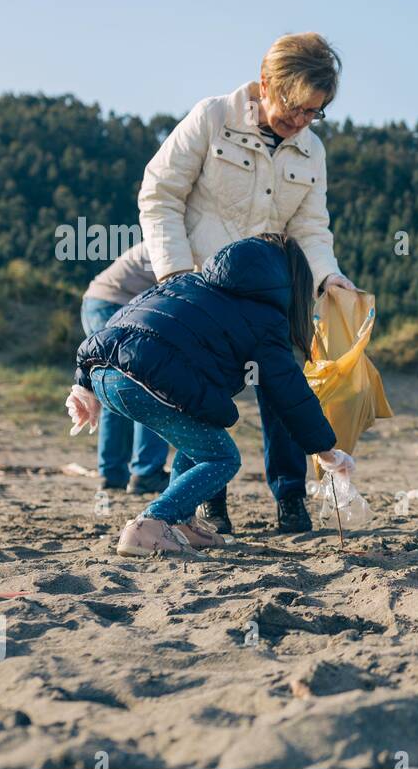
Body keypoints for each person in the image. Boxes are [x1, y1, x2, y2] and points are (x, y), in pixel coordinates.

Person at [109, 31, 356, 534]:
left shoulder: (312, 152)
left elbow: (310, 227)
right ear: (267, 83)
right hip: (204, 293)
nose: (302, 122)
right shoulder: (211, 118)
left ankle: (290, 499)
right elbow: (159, 194)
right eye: (295, 107)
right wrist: (177, 274)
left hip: (272, 298)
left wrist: (327, 274)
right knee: (203, 395)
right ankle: (209, 507)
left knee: (284, 386)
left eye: (315, 112)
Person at [67, 235, 354, 557]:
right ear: (290, 280)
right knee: (222, 457)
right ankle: (151, 523)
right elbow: (289, 392)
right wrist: (325, 450)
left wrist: (84, 383)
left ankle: (183, 522)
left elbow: (124, 319)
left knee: (201, 436)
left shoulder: (187, 280)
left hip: (103, 370)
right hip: (148, 378)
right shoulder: (265, 317)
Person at [80, 260, 171, 494]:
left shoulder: (175, 232)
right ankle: (146, 472)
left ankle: (113, 475)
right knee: (148, 386)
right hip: (117, 304)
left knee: (116, 389)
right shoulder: (182, 239)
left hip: (100, 300)